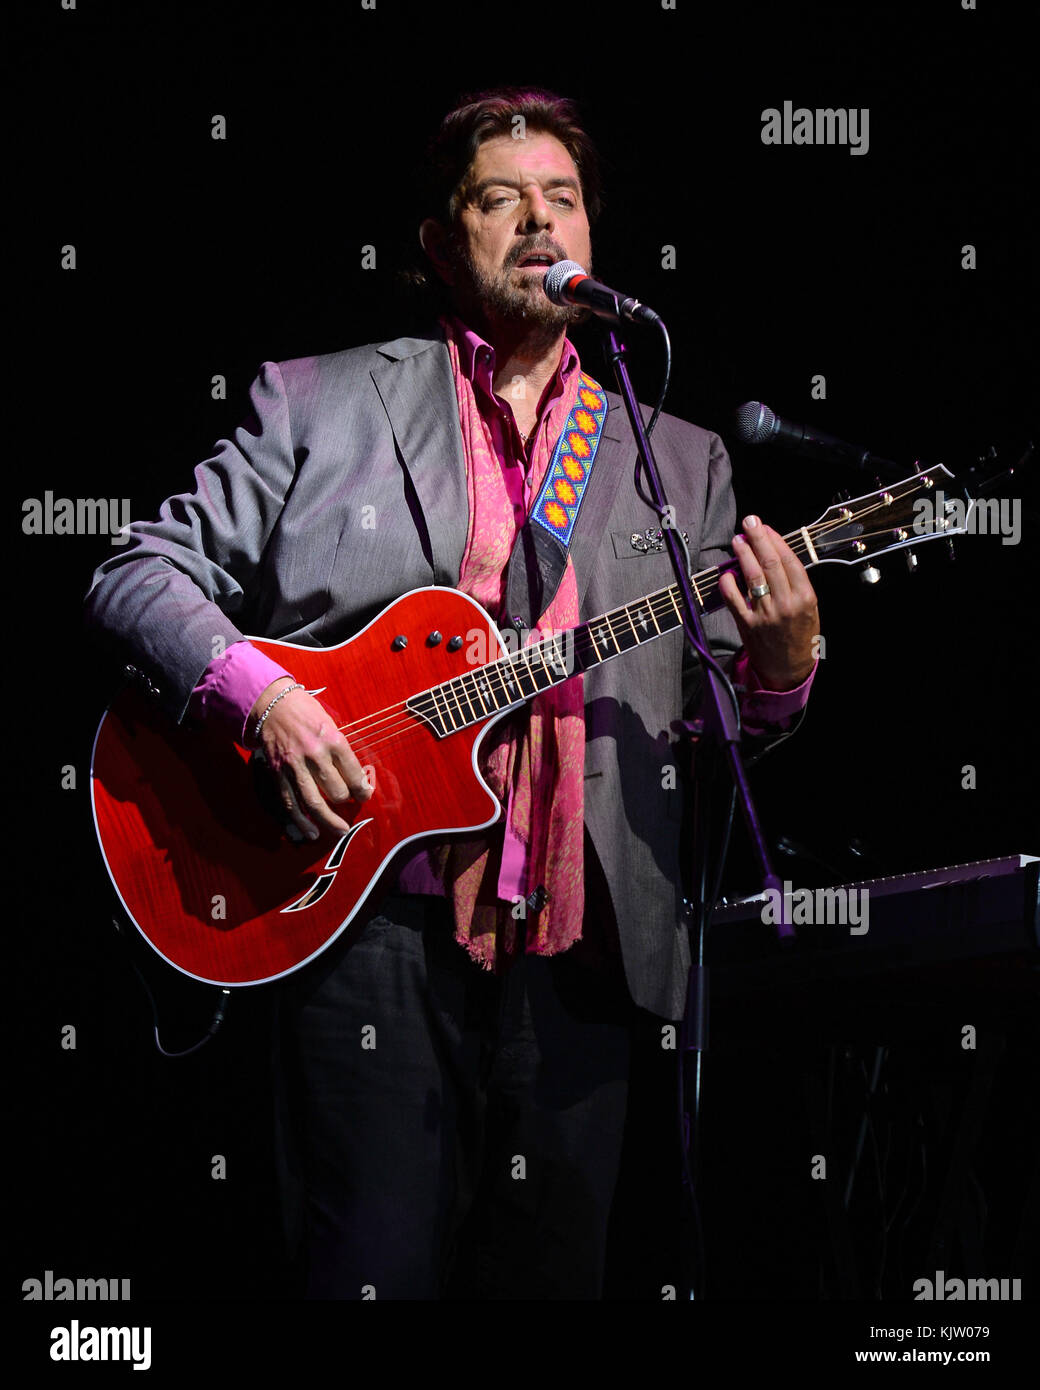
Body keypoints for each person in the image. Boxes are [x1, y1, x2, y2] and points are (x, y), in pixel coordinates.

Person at [85, 86, 820, 1299]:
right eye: (500, 199)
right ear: (438, 241)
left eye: (564, 199)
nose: (540, 222)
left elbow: (701, 711)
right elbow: (136, 572)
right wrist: (262, 701)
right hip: (364, 923)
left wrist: (782, 671)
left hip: (584, 961)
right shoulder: (315, 400)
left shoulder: (674, 456)